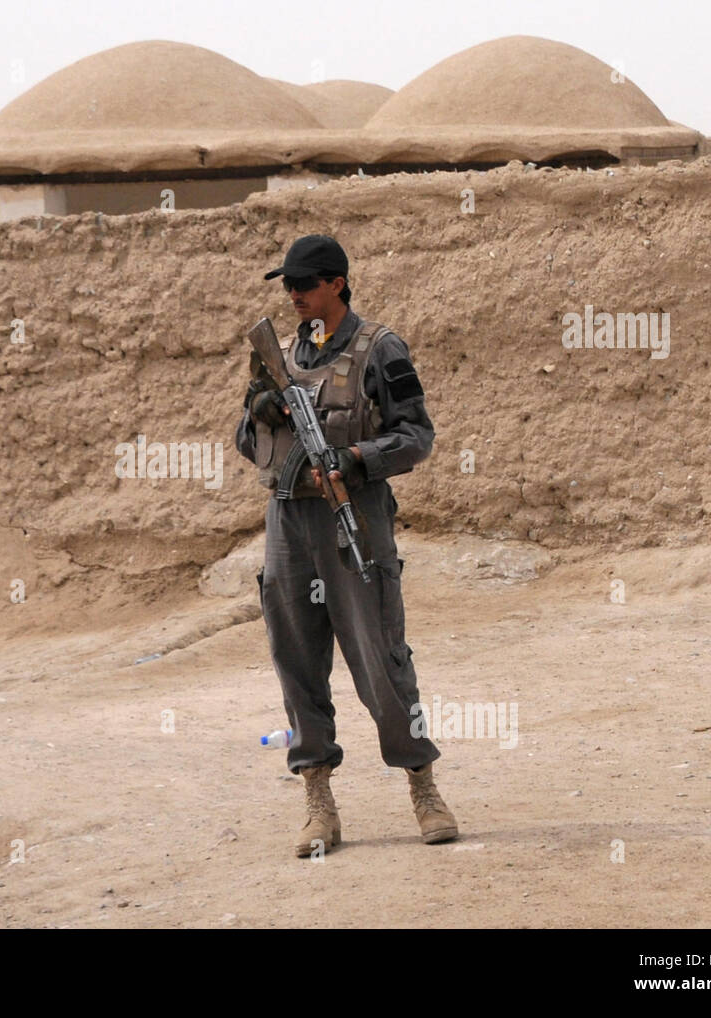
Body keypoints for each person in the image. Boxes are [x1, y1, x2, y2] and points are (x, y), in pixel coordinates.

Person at [235, 234, 458, 856]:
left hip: (352, 519)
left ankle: (422, 786)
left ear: (337, 284)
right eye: (288, 286)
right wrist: (264, 411)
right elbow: (246, 442)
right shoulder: (276, 355)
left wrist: (356, 458)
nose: (294, 295)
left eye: (304, 284)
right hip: (289, 524)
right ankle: (318, 800)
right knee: (296, 662)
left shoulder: (380, 349)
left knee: (381, 659)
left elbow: (417, 436)